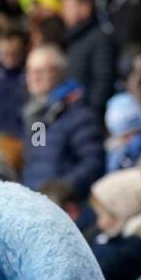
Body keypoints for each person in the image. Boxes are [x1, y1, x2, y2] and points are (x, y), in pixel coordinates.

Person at [20, 44, 105, 200]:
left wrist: (63, 188)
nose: (34, 78)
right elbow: (36, 159)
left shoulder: (78, 113)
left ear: (59, 73)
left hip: (62, 207)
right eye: (30, 72)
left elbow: (93, 162)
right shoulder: (36, 115)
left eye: (40, 72)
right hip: (34, 205)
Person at [61, 0, 118, 119]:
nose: (63, 13)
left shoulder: (100, 39)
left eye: (68, 8)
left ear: (85, 8)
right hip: (73, 113)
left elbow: (103, 79)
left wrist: (90, 111)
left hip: (88, 115)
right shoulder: (72, 39)